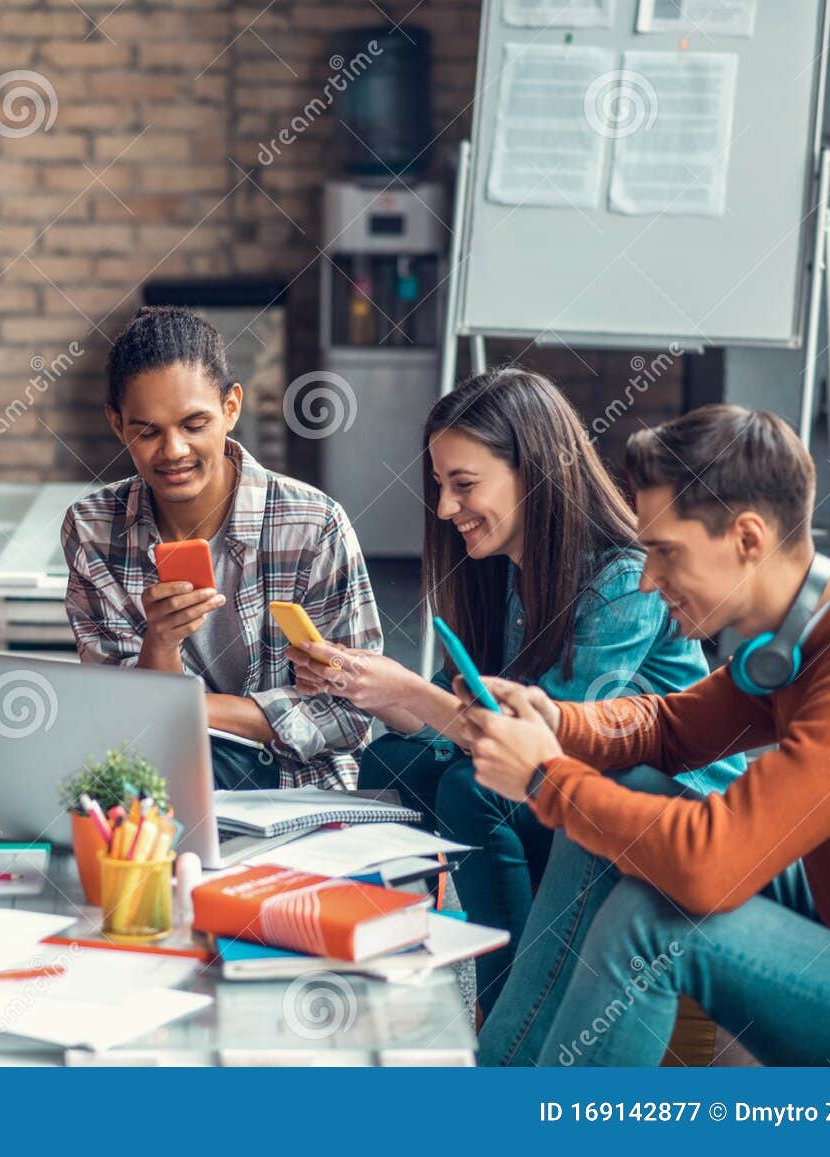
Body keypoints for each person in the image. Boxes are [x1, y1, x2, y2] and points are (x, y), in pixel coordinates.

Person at [462, 403, 830, 1066]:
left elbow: (711, 866)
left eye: (665, 551)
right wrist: (558, 721)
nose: (647, 578)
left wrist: (543, 777)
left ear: (748, 539)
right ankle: (507, 1081)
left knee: (652, 925)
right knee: (630, 789)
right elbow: (672, 725)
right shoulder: (805, 631)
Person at [290, 368, 741, 1029]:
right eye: (440, 486)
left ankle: (511, 1010)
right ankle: (372, 964)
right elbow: (464, 723)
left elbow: (540, 742)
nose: (445, 508)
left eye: (464, 485)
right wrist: (367, 687)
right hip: (567, 780)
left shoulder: (622, 581)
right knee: (394, 763)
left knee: (472, 792)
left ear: (534, 470)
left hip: (662, 793)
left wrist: (410, 687)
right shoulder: (507, 575)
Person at [62, 306, 382, 789]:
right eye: (147, 431)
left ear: (232, 407)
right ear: (117, 424)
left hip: (299, 787)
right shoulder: (92, 529)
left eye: (194, 424)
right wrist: (160, 642)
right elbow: (126, 718)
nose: (173, 451)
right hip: (164, 783)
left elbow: (350, 712)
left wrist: (195, 709)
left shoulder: (313, 524)